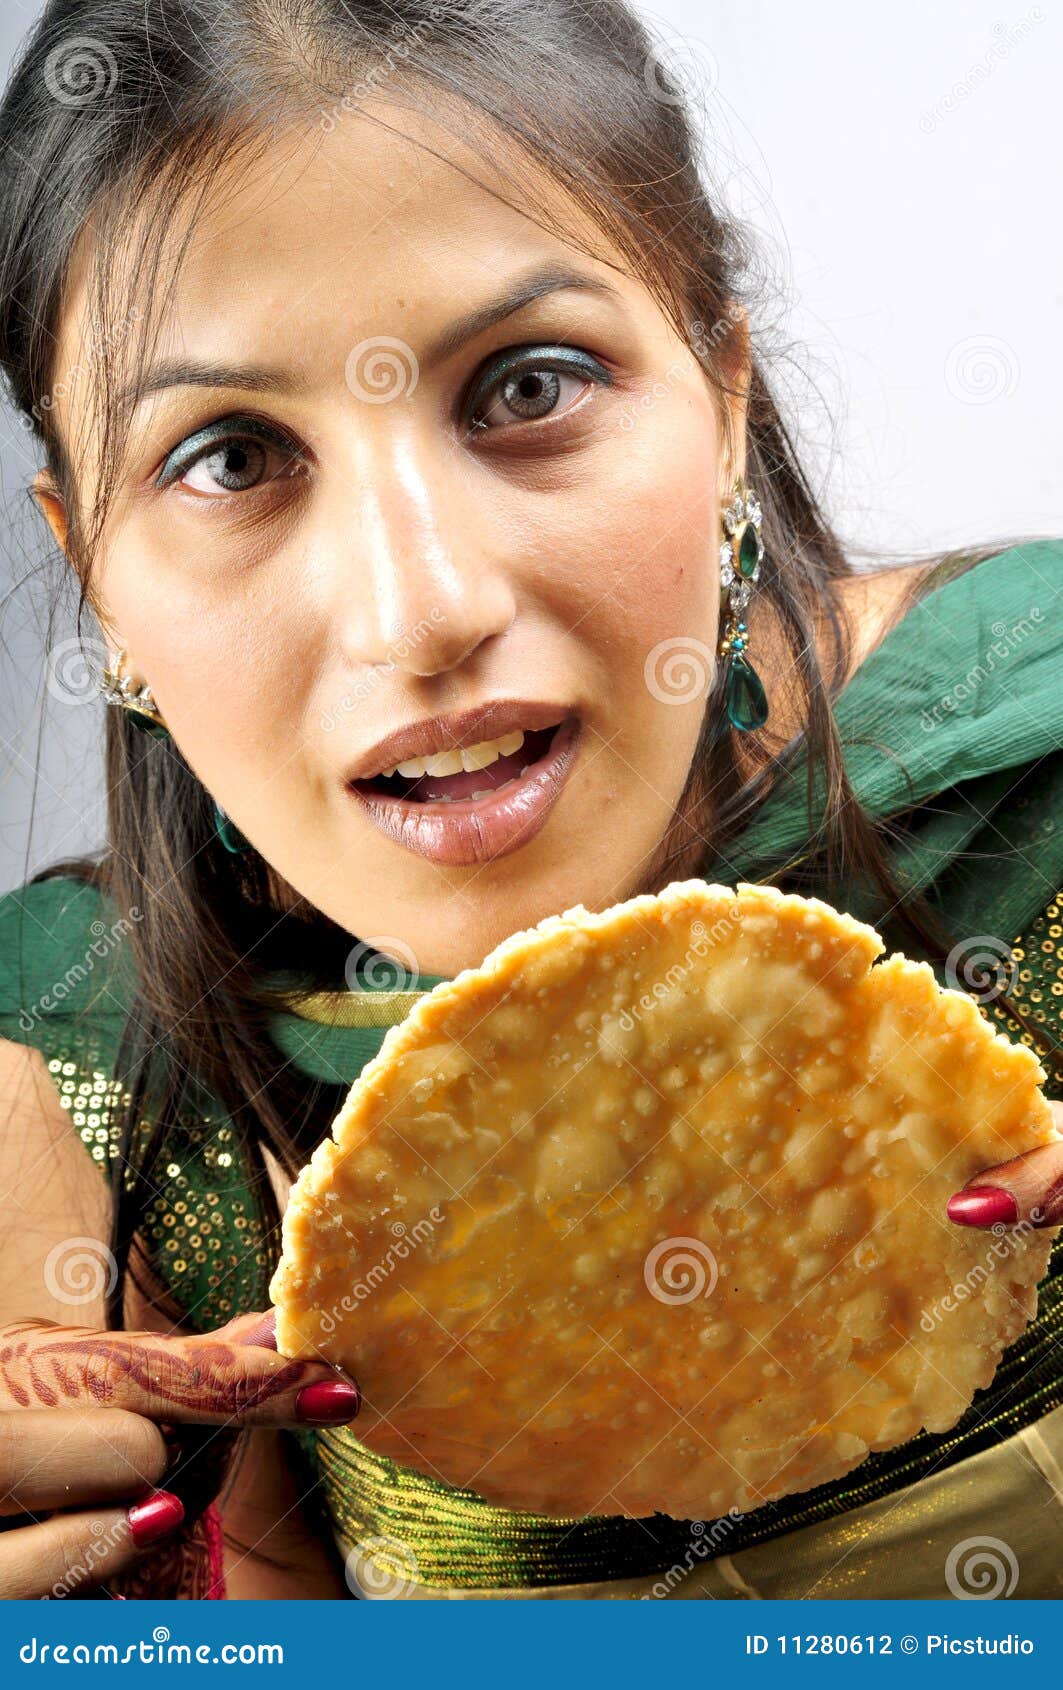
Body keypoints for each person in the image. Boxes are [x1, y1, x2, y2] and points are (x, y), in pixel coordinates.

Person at [0, 0, 1059, 1601]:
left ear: (721, 396)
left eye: (526, 385)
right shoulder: (83, 1086)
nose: (419, 609)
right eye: (228, 457)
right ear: (97, 577)